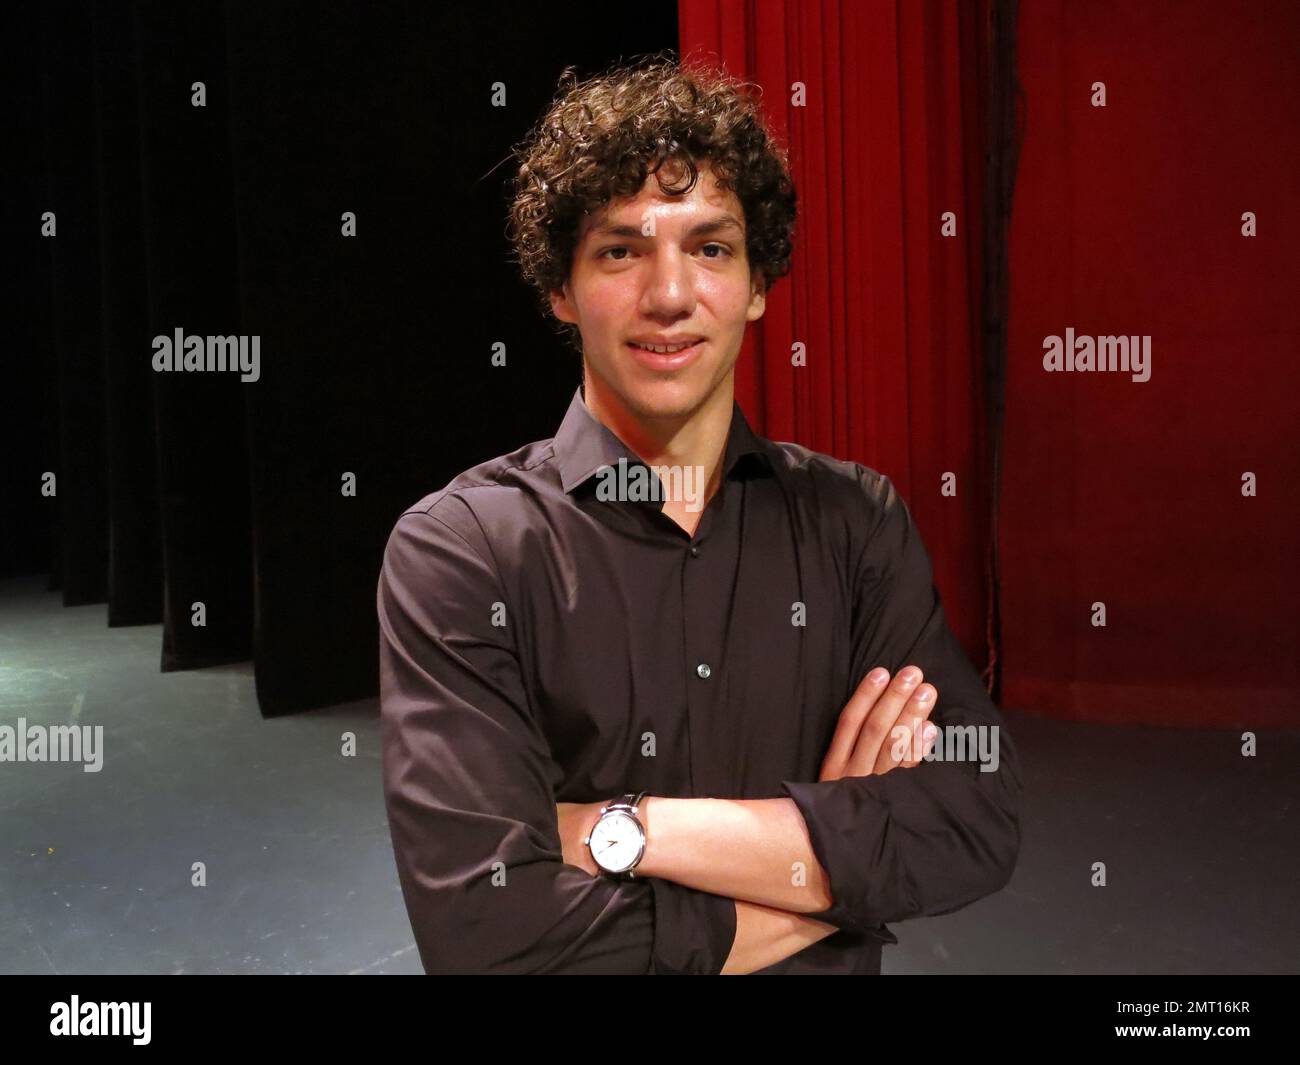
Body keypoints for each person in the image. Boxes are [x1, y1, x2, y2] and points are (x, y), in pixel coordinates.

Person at [377, 54, 1022, 974]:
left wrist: (622, 831)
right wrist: (837, 870)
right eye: (620, 250)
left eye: (711, 248)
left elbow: (977, 815)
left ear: (758, 284)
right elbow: (489, 939)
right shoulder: (461, 551)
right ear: (560, 289)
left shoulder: (856, 521)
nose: (671, 295)